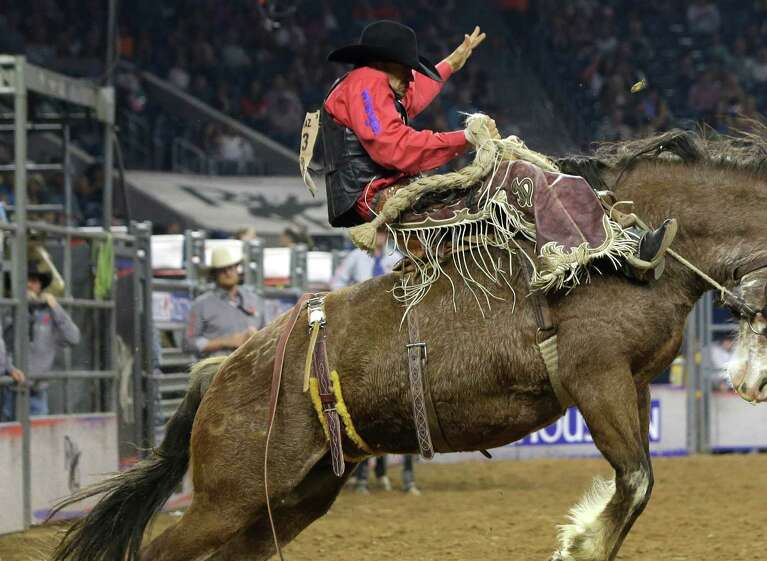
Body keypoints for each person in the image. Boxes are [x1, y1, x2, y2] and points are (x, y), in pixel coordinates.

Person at [319, 20, 675, 281]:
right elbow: (393, 147)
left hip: (387, 191)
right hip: (380, 195)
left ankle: (610, 240)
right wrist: (465, 138)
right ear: (385, 62)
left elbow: (411, 99)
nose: (411, 78)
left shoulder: (372, 84)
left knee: (516, 177)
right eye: (407, 69)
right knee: (517, 177)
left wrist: (450, 63)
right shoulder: (367, 83)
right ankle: (610, 250)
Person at [331, 234, 420, 495]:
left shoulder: (396, 257)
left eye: (382, 231)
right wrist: (351, 299)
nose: (379, 236)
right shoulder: (356, 258)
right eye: (376, 231)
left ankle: (390, 474)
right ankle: (370, 473)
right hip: (363, 329)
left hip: (393, 328)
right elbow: (336, 282)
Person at [1, 261, 81, 420]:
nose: (29, 285)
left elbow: (74, 338)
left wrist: (55, 307)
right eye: (25, 281)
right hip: (10, 389)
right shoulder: (9, 310)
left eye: (34, 280)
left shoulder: (50, 313)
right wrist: (10, 369)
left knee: (38, 432)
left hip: (38, 392)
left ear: (40, 286)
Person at [184, 246, 265, 358]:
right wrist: (225, 341)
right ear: (214, 274)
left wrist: (258, 337)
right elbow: (189, 343)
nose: (228, 273)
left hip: (252, 364)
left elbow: (269, 335)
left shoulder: (255, 301)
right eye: (222, 270)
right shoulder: (201, 305)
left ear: (237, 269)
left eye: (231, 268)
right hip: (217, 365)